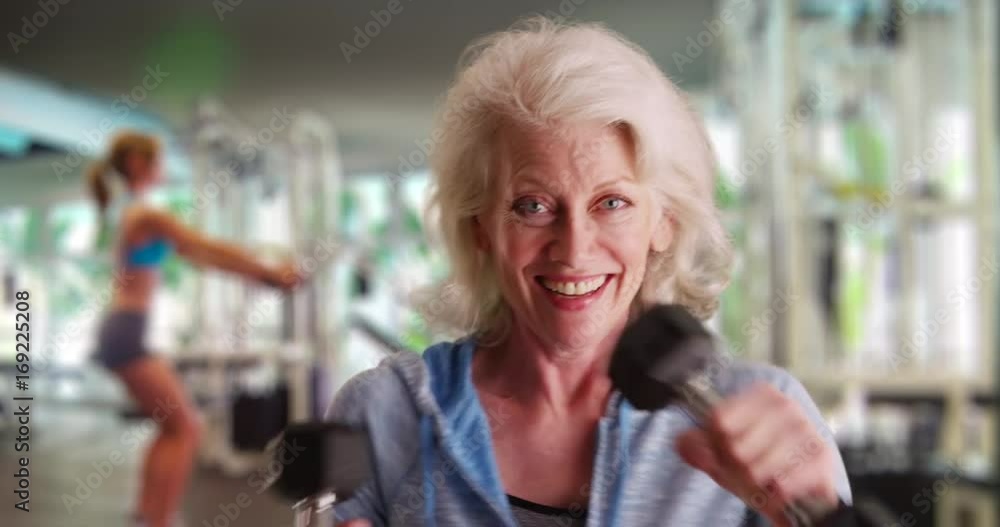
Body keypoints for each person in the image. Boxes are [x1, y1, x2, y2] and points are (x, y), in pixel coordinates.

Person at [329, 17, 851, 527]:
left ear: (663, 222)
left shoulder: (752, 418)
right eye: (532, 206)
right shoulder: (383, 412)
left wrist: (820, 517)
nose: (575, 249)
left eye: (612, 202)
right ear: (481, 227)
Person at [86, 131, 301, 527]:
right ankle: (160, 519)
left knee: (172, 426)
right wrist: (269, 273)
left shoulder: (127, 212)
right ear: (138, 164)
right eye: (158, 160)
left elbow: (201, 254)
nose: (163, 169)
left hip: (121, 328)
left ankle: (148, 515)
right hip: (126, 330)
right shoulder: (142, 214)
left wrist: (261, 273)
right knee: (186, 428)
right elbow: (208, 248)